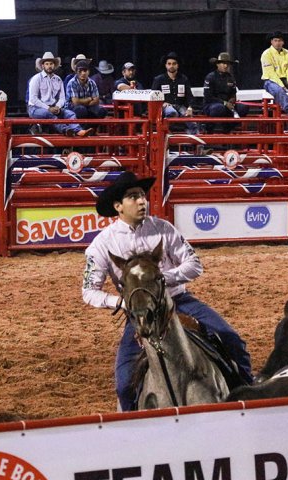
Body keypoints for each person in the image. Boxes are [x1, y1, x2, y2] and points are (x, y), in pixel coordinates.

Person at [81, 171, 252, 411]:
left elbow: (194, 265)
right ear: (118, 206)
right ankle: (132, 427)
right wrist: (122, 302)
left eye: (142, 195)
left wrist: (162, 279)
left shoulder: (164, 228)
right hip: (141, 312)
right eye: (133, 197)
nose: (142, 201)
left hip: (179, 300)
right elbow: (89, 291)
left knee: (233, 340)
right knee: (124, 386)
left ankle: (251, 395)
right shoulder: (101, 244)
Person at [27, 52, 94, 137]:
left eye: (51, 64)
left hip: (53, 107)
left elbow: (62, 98)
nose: (49, 66)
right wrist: (48, 108)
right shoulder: (36, 79)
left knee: (70, 114)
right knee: (49, 114)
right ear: (43, 66)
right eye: (47, 64)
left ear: (54, 65)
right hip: (35, 108)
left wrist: (57, 107)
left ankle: (79, 131)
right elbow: (33, 99)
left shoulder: (58, 79)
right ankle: (66, 130)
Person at [151, 52, 198, 134]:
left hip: (180, 106)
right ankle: (168, 138)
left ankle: (198, 145)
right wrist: (162, 103)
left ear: (177, 65)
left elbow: (189, 96)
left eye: (174, 63)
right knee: (171, 112)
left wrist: (190, 107)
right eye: (169, 64)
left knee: (192, 122)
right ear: (165, 65)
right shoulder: (159, 79)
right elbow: (153, 96)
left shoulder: (183, 79)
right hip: (166, 107)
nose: (171, 66)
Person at [202, 52, 249, 132]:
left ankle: (228, 128)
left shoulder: (231, 78)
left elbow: (233, 93)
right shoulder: (210, 77)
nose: (226, 66)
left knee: (243, 108)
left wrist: (232, 100)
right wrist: (224, 103)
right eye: (223, 63)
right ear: (217, 64)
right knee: (219, 108)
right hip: (211, 105)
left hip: (227, 105)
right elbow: (208, 97)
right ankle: (208, 128)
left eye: (227, 64)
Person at [260, 31, 288, 117]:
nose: (277, 43)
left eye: (279, 41)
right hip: (270, 80)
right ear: (271, 42)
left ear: (283, 42)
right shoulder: (266, 54)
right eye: (275, 40)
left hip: (285, 79)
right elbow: (271, 73)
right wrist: (281, 85)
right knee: (278, 90)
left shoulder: (287, 53)